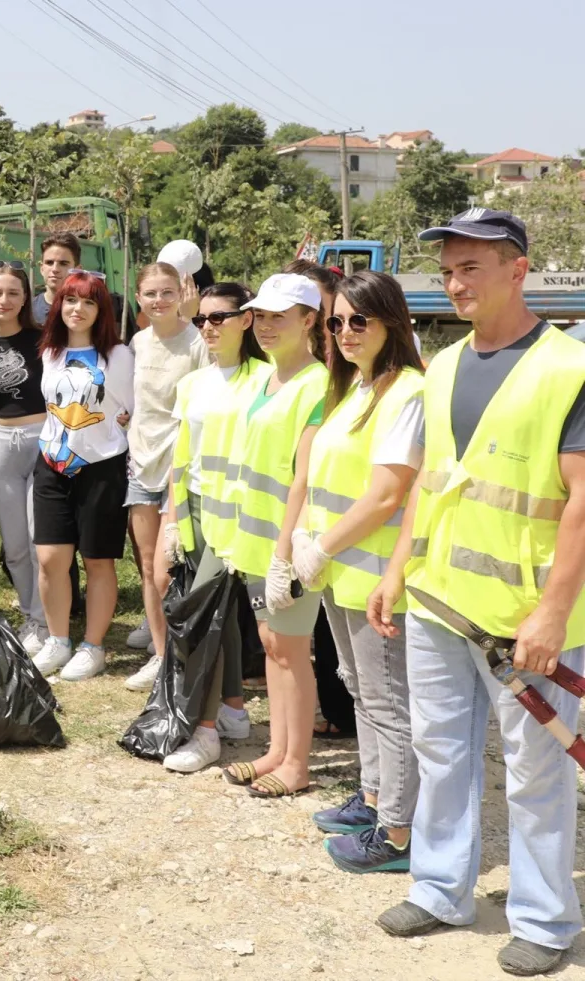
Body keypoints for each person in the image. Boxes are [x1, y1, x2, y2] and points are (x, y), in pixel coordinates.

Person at [367, 209, 585, 977]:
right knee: (440, 749)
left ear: (518, 269)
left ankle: (545, 918)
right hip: (438, 604)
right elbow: (433, 481)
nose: (455, 282)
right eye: (449, 270)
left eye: (472, 268)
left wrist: (554, 611)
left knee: (534, 771)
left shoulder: (569, 367)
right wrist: (399, 568)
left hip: (524, 619)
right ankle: (440, 888)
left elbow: (583, 502)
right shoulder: (447, 363)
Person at [290, 270, 425, 873]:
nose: (345, 331)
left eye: (358, 320)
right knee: (358, 687)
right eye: (336, 322)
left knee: (388, 700)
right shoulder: (357, 389)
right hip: (341, 572)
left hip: (374, 576)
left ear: (390, 321)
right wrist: (306, 541)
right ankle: (374, 798)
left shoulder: (408, 392)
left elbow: (386, 496)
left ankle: (398, 832)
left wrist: (319, 548)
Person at [214, 273, 329, 798]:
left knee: (289, 649)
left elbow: (303, 477)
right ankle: (277, 752)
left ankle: (297, 764)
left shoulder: (319, 384)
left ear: (310, 320)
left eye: (279, 316)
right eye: (260, 315)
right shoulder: (264, 377)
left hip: (285, 546)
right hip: (257, 543)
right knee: (272, 645)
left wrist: (284, 554)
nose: (265, 325)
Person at [154, 283, 267, 772]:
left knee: (204, 618)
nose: (208, 328)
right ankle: (234, 710)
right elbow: (183, 455)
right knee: (215, 613)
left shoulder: (266, 380)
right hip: (196, 512)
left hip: (240, 515)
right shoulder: (195, 383)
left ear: (247, 319)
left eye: (219, 318)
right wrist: (173, 518)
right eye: (201, 320)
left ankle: (204, 732)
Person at [28, 271, 135, 681]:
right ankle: (58, 640)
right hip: (52, 463)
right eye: (71, 300)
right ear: (59, 305)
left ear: (101, 309)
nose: (78, 309)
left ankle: (93, 646)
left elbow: (131, 409)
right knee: (51, 558)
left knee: (97, 560)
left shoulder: (119, 356)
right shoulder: (49, 352)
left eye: (88, 302)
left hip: (102, 467)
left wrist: (123, 420)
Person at [121, 262, 210, 691]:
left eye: (167, 292)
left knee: (173, 571)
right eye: (151, 293)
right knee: (146, 565)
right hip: (141, 464)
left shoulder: (197, 341)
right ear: (139, 297)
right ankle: (160, 658)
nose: (159, 301)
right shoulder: (137, 342)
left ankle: (186, 656)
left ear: (182, 293)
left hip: (182, 467)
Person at [282, 258, 358, 740]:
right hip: (304, 502)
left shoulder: (351, 354)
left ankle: (341, 711)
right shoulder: (293, 358)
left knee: (337, 625)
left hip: (347, 508)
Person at [0, 261, 48, 652]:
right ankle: (32, 619)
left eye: (13, 292)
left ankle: (49, 621)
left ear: (24, 298)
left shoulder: (44, 339)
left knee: (40, 541)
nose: (4, 300)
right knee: (15, 544)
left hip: (41, 440)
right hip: (0, 442)